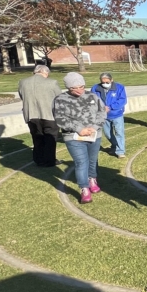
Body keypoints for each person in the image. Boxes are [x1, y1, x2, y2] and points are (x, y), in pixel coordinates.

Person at [53, 72, 106, 203]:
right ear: (68, 88)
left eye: (81, 86)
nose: (79, 90)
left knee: (93, 160)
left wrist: (94, 127)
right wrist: (79, 129)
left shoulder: (92, 96)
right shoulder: (60, 100)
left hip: (94, 134)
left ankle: (92, 179)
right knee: (81, 162)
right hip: (73, 136)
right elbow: (60, 119)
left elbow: (102, 112)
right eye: (74, 88)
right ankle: (84, 189)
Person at [17, 64, 61, 167]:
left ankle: (38, 159)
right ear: (45, 72)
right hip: (49, 114)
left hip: (31, 114)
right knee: (50, 138)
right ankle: (49, 161)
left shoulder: (23, 82)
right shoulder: (52, 82)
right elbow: (59, 98)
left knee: (37, 138)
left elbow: (21, 96)